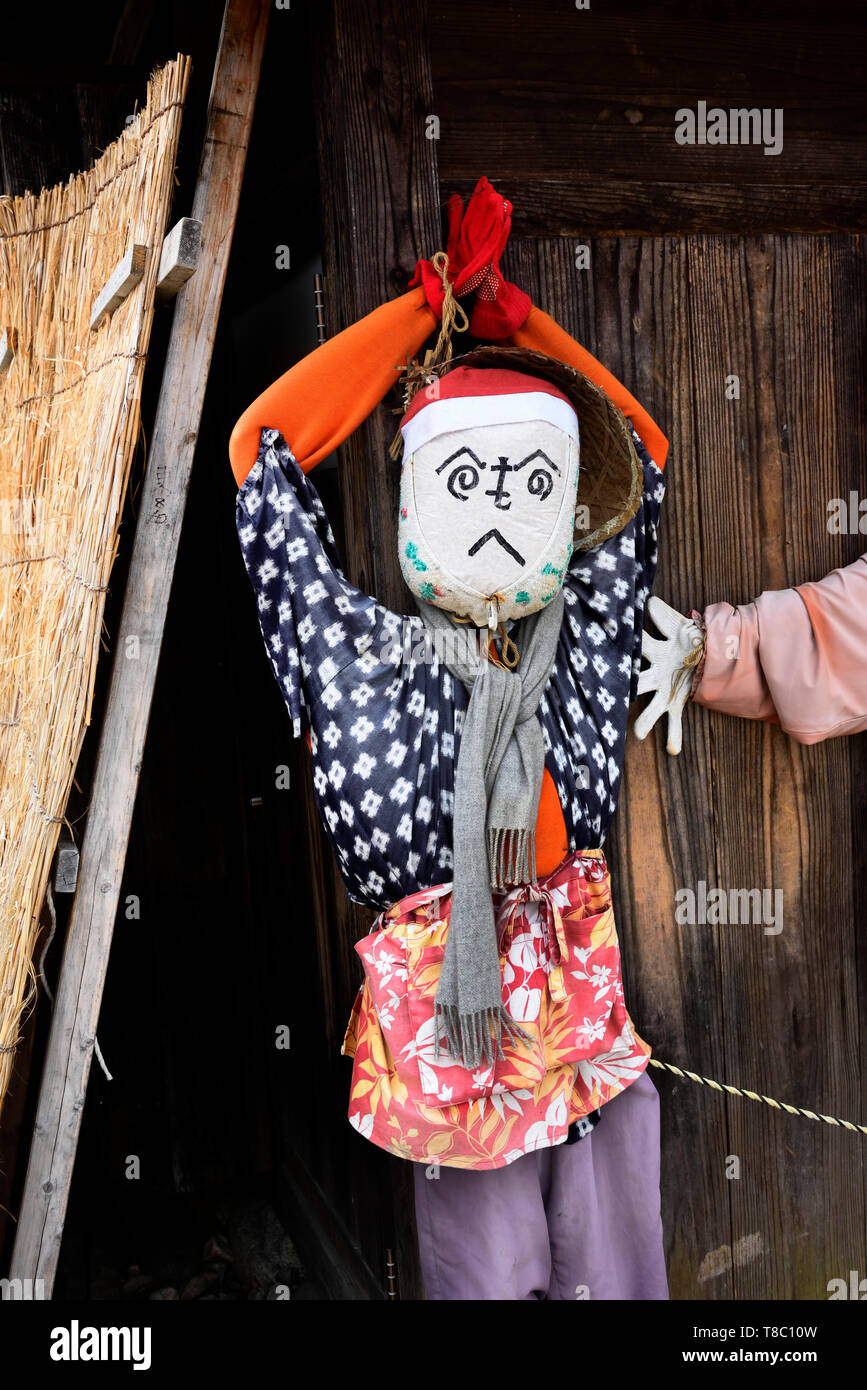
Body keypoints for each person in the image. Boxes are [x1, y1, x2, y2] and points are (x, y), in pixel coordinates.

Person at [229, 177, 866, 1300]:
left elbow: (643, 448)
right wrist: (423, 318)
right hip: (452, 1044)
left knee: (621, 1276)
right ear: (419, 496)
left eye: (529, 484)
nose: (493, 508)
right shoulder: (353, 651)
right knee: (488, 1281)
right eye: (464, 480)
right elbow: (259, 454)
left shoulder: (572, 647)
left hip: (583, 1030)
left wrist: (517, 324)